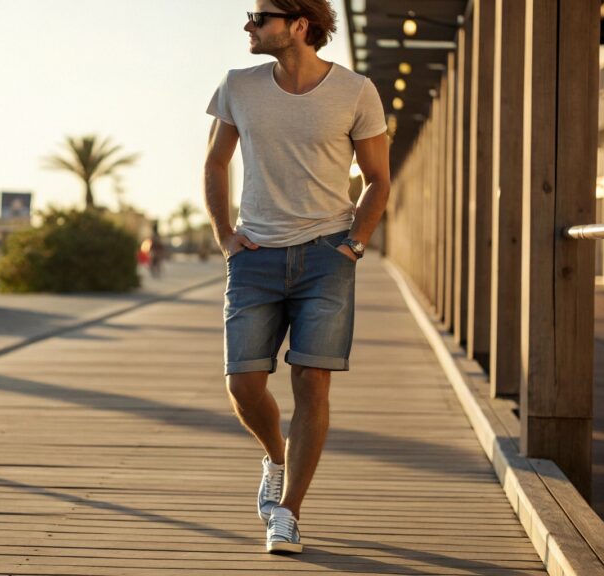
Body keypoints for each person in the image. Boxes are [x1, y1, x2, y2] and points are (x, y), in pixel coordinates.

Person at [203, 0, 391, 554]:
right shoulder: (238, 85)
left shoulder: (356, 91)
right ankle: (275, 457)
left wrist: (354, 243)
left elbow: (378, 179)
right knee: (243, 385)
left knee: (311, 382)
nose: (249, 25)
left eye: (260, 17)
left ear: (300, 25)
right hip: (255, 255)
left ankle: (288, 513)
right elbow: (215, 162)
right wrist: (224, 235)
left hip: (326, 256)